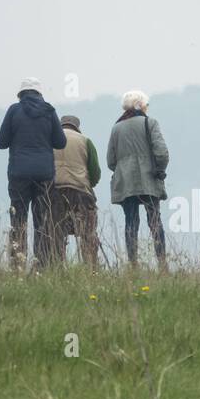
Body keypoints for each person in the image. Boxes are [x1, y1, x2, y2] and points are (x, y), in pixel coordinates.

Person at [0, 77, 66, 270]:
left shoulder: (13, 110)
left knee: (18, 219)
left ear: (21, 94)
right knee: (42, 220)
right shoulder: (49, 111)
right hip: (44, 174)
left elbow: (1, 142)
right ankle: (41, 266)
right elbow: (61, 142)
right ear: (40, 93)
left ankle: (17, 263)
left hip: (19, 173)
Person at [107, 90, 170, 270]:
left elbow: (111, 161)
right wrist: (160, 170)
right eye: (146, 105)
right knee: (155, 221)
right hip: (149, 179)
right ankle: (162, 264)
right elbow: (162, 152)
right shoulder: (150, 123)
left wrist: (124, 170)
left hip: (125, 183)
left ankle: (133, 265)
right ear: (141, 106)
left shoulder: (116, 128)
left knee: (131, 222)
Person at [49, 114, 102, 268]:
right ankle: (91, 266)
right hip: (81, 192)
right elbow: (95, 172)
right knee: (88, 233)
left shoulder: (50, 140)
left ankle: (57, 266)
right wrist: (88, 184)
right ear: (77, 127)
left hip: (55, 191)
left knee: (56, 233)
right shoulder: (85, 141)